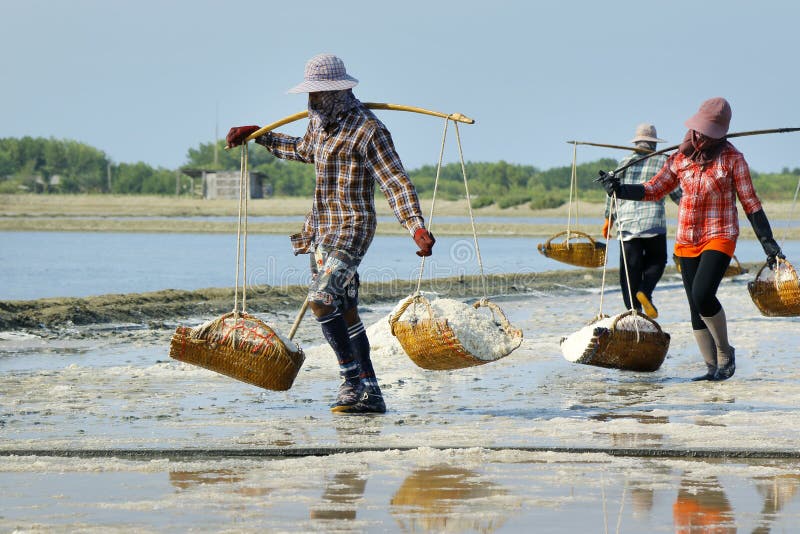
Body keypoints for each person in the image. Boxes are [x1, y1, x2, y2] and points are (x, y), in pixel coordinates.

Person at [226, 54, 435, 413]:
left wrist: (415, 226)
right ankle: (372, 392)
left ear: (339, 91)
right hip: (321, 229)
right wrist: (261, 136)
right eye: (310, 94)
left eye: (319, 93)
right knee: (345, 309)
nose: (312, 100)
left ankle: (351, 381)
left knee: (321, 299)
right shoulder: (319, 125)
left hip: (352, 228)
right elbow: (303, 150)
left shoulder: (368, 129)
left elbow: (394, 180)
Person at [599, 97, 784, 381]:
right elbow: (654, 189)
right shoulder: (680, 157)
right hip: (686, 238)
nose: (700, 136)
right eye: (698, 130)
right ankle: (711, 368)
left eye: (708, 132)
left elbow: (751, 203)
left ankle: (725, 353)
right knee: (694, 305)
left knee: (702, 294)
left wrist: (769, 246)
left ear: (720, 133)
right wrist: (619, 189)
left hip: (719, 235)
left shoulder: (732, 159)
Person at [603, 123, 681, 318]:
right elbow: (677, 193)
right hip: (652, 221)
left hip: (626, 222)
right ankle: (645, 292)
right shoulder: (665, 161)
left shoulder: (624, 163)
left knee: (629, 271)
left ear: (636, 142)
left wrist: (608, 220)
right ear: (654, 144)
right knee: (657, 260)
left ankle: (633, 311)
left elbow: (611, 192)